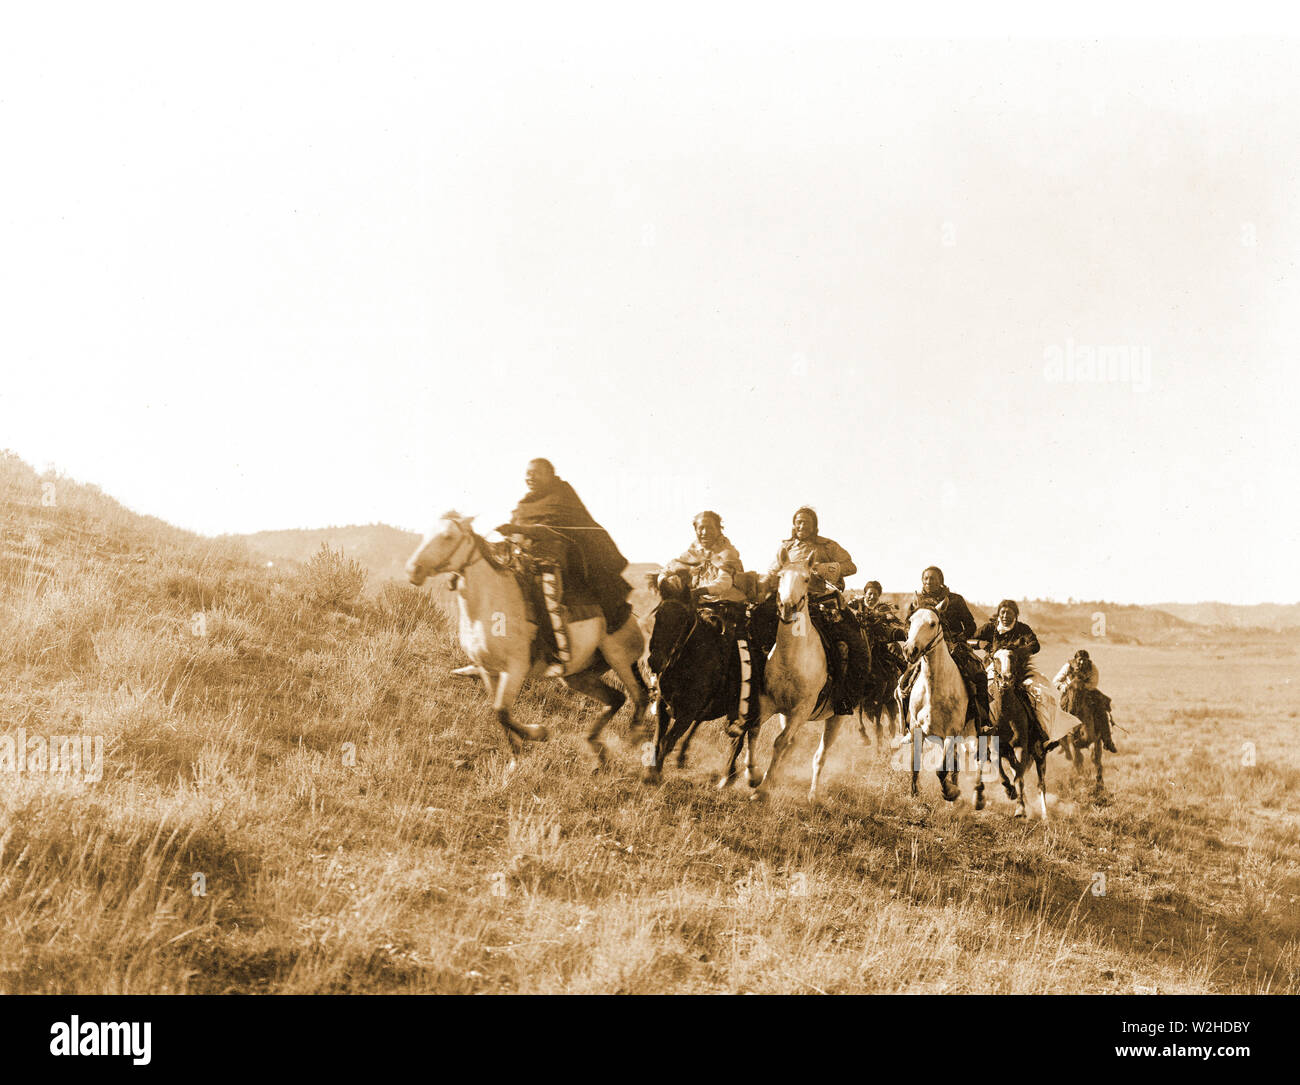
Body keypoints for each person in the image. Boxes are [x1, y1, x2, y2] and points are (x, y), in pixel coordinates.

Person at [500, 458, 633, 676]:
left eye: (536, 473)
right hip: (522, 562)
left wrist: (518, 529)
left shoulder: (560, 498)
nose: (530, 477)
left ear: (550, 475)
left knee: (545, 597)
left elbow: (551, 530)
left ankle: (556, 653)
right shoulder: (524, 504)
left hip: (551, 565)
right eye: (527, 473)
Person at [767, 506, 869, 716]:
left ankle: (843, 696)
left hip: (822, 605)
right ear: (793, 525)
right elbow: (771, 571)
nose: (802, 526)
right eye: (798, 522)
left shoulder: (827, 546)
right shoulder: (786, 548)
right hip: (791, 607)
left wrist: (823, 569)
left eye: (806, 522)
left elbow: (851, 566)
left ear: (814, 526)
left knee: (850, 644)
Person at [898, 565, 991, 734]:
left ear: (940, 581)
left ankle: (984, 722)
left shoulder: (955, 600)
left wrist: (959, 639)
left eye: (932, 578)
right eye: (925, 578)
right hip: (925, 648)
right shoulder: (917, 602)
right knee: (904, 683)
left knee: (978, 674)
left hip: (955, 645)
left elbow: (970, 625)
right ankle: (908, 727)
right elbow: (908, 624)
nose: (928, 581)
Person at [973, 599, 1047, 737]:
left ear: (1016, 615)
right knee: (976, 692)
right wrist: (980, 643)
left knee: (1040, 693)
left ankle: (1040, 732)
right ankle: (980, 727)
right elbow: (967, 639)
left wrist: (1017, 651)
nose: (1005, 616)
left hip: (1018, 671)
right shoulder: (990, 628)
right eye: (1003, 612)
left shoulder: (1023, 629)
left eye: (1009, 613)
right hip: (992, 669)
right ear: (998, 614)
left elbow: (1035, 645)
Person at [1053, 649, 1118, 752]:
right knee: (1058, 710)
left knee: (1101, 710)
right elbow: (1056, 681)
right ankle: (1056, 739)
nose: (1082, 662)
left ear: (1088, 660)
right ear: (1075, 659)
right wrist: (1066, 687)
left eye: (1085, 660)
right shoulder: (1068, 666)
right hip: (1070, 691)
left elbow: (1093, 683)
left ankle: (1107, 740)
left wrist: (1083, 686)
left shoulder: (1093, 668)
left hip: (1087, 691)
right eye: (1080, 659)